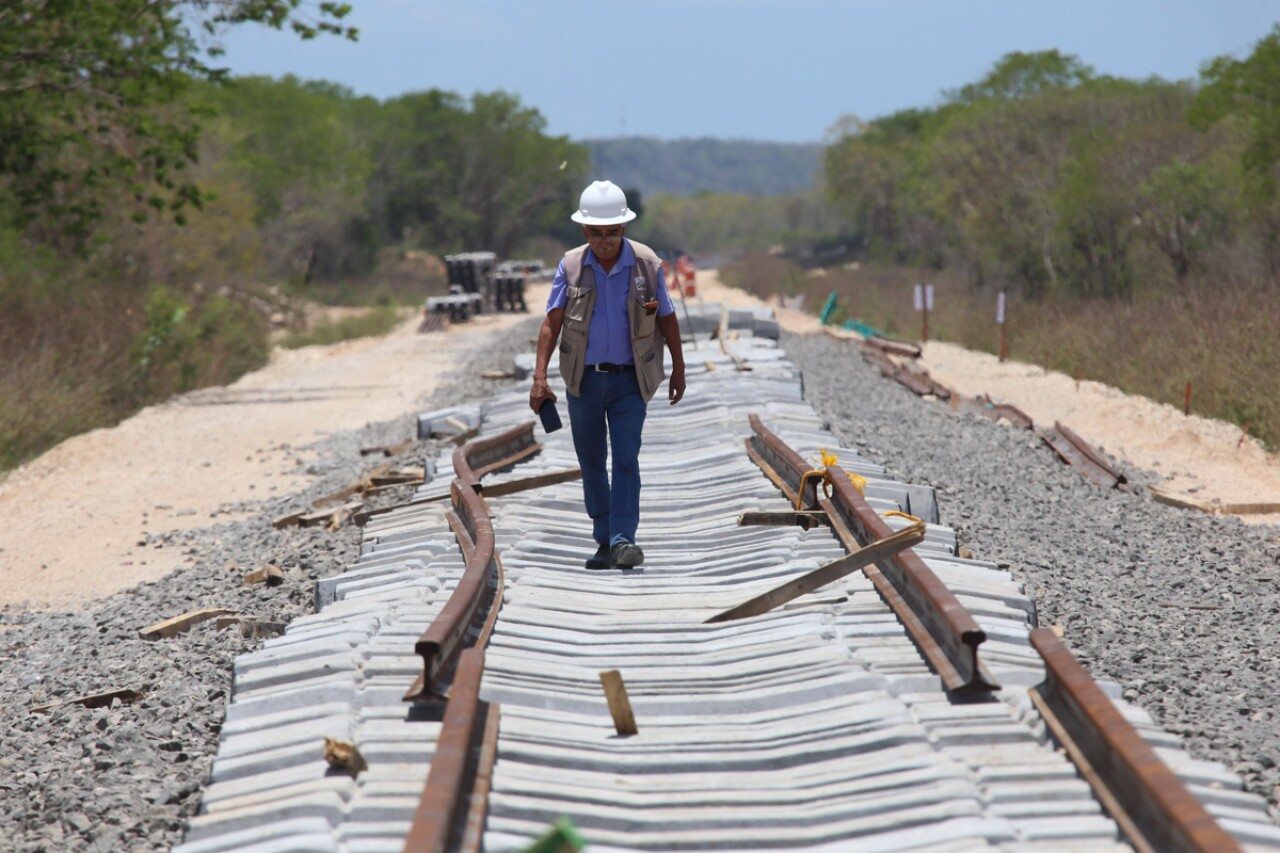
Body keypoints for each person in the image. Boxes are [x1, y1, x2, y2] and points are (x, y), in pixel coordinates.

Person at [529, 180, 686, 570]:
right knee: (592, 461)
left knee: (627, 458)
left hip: (630, 381)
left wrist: (679, 369)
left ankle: (623, 540)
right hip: (583, 381)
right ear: (585, 231)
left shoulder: (647, 265)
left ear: (623, 229)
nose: (604, 241)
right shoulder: (571, 266)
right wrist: (539, 377)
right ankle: (604, 539)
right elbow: (552, 323)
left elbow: (667, 318)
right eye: (596, 233)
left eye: (612, 233)